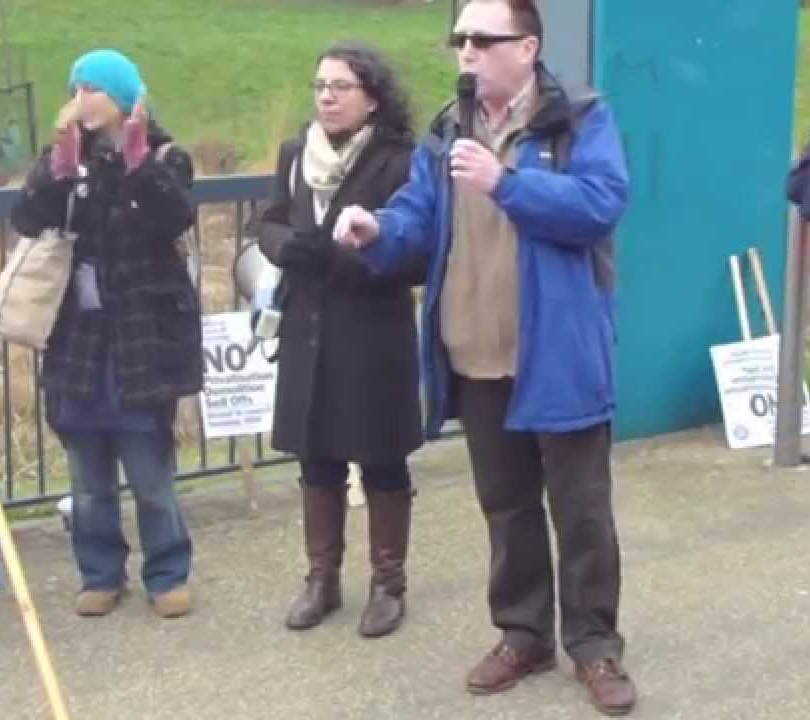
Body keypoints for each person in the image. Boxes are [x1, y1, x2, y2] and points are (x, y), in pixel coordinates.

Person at [333, 0, 636, 714]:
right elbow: (419, 214)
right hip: (474, 354)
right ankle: (523, 634)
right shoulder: (448, 128)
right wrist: (378, 227)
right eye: (458, 39)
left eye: (482, 39)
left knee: (582, 512)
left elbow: (601, 203)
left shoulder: (579, 119)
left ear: (527, 48)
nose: (465, 51)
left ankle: (594, 645)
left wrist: (507, 184)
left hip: (556, 355)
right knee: (506, 509)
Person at [10, 49, 200, 619]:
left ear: (122, 97)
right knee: (89, 480)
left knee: (150, 475)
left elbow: (174, 217)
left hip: (142, 340)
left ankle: (167, 572)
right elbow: (26, 219)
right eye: (76, 86)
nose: (81, 96)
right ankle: (99, 573)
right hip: (80, 341)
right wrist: (56, 170)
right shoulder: (67, 160)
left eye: (94, 86)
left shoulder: (165, 156)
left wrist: (138, 164)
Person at [253, 41, 424, 637]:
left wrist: (339, 256)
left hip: (372, 329)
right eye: (319, 85)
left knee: (381, 459)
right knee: (317, 456)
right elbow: (270, 220)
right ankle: (321, 579)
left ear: (372, 97)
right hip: (308, 328)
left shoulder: (400, 160)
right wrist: (282, 248)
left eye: (340, 86)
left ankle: (388, 584)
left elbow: (418, 254)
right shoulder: (297, 152)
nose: (326, 96)